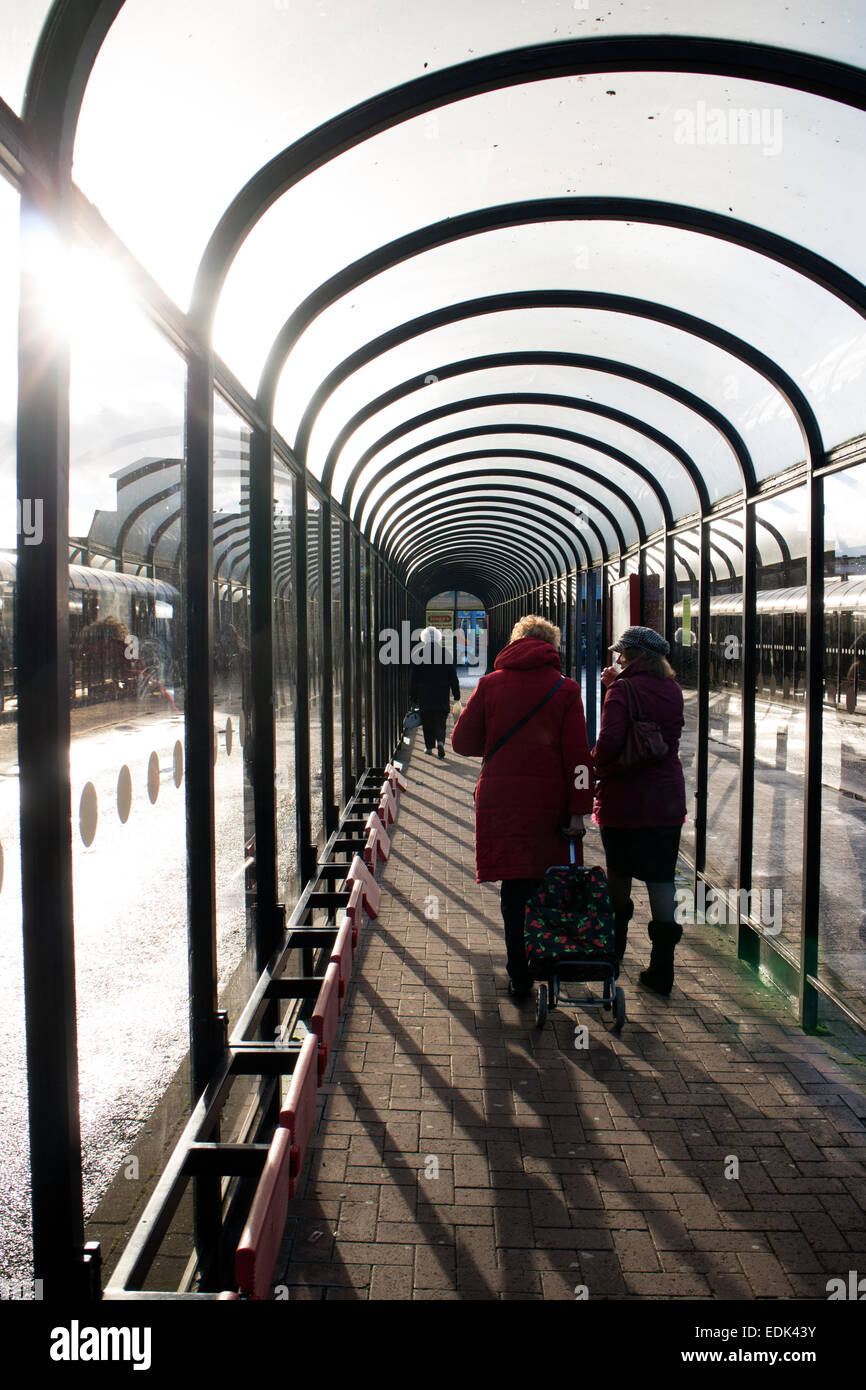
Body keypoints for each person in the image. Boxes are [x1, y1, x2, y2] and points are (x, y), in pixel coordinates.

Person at [451, 615, 593, 1000]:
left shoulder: (490, 684)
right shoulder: (565, 689)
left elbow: (462, 743)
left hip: (502, 800)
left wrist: (501, 745)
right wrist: (579, 809)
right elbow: (579, 758)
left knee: (515, 887)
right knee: (550, 882)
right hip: (551, 804)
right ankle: (550, 958)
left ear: (515, 642)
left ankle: (519, 974)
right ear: (551, 647)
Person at [592, 625, 686, 996]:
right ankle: (662, 970)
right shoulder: (673, 689)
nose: (617, 658)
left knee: (620, 873)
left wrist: (595, 764)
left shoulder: (621, 689)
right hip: (666, 801)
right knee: (662, 880)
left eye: (622, 654)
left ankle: (612, 956)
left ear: (635, 657)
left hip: (626, 801)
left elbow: (611, 741)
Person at [409, 626, 461, 758]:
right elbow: (452, 676)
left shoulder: (419, 653)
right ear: (438, 637)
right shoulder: (445, 653)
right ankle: (441, 742)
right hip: (442, 693)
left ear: (423, 638)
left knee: (427, 720)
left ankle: (429, 747)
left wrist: (413, 697)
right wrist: (456, 694)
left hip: (424, 694)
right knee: (440, 720)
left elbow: (414, 678)